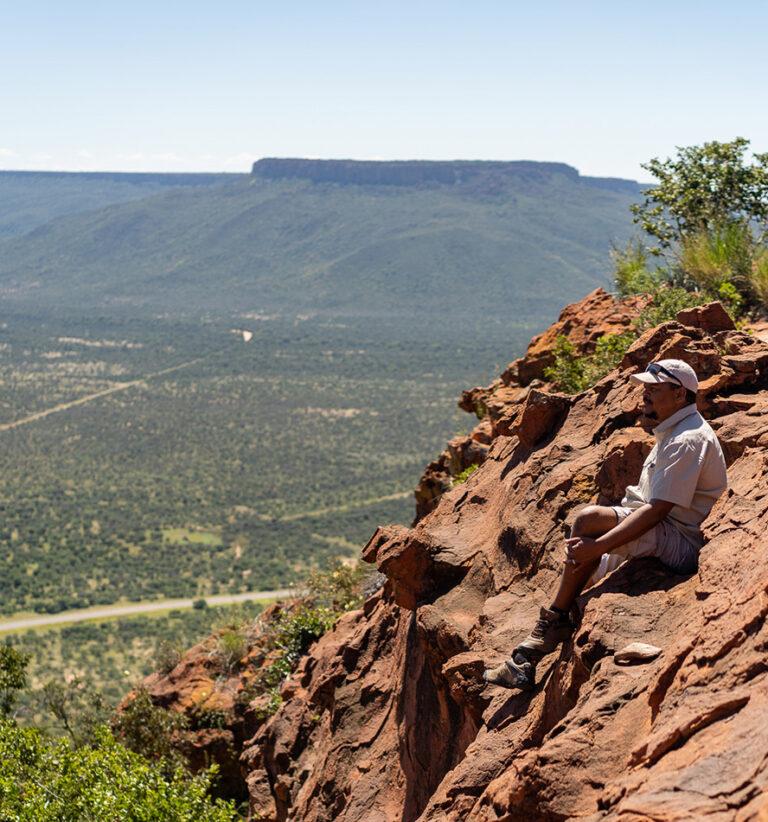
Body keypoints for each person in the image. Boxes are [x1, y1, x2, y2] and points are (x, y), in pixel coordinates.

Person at [483, 358, 728, 690]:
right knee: (584, 543)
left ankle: (540, 640)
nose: (645, 395)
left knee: (588, 533)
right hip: (666, 528)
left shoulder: (687, 439)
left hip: (680, 540)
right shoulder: (676, 428)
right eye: (646, 388)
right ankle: (542, 638)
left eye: (654, 390)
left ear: (680, 394)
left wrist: (599, 546)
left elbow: (657, 511)